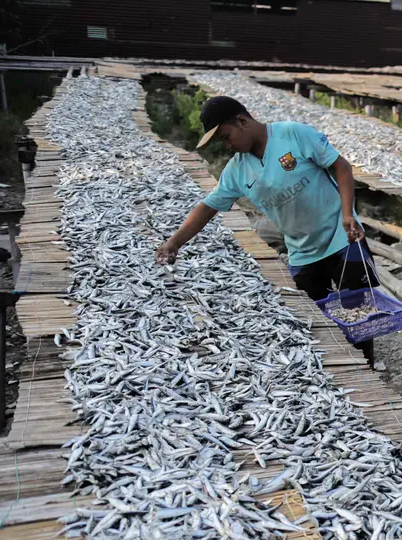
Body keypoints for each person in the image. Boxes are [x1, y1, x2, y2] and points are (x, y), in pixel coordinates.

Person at [156, 96, 378, 363]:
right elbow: (207, 207)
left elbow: (341, 166)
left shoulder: (293, 134)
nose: (227, 146)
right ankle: (342, 369)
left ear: (241, 121)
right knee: (317, 324)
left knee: (359, 314)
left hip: (342, 238)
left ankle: (368, 366)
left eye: (226, 137)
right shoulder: (237, 170)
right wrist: (174, 242)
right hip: (303, 252)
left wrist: (347, 213)